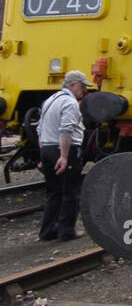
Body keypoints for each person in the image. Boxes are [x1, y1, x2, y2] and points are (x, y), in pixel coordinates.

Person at [36, 69, 89, 241]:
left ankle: (47, 231)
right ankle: (67, 231)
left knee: (54, 192)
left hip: (47, 148)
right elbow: (66, 130)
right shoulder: (69, 102)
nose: (84, 91)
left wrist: (42, 156)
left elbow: (39, 129)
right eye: (82, 87)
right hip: (65, 150)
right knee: (70, 191)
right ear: (73, 85)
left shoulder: (50, 100)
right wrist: (64, 157)